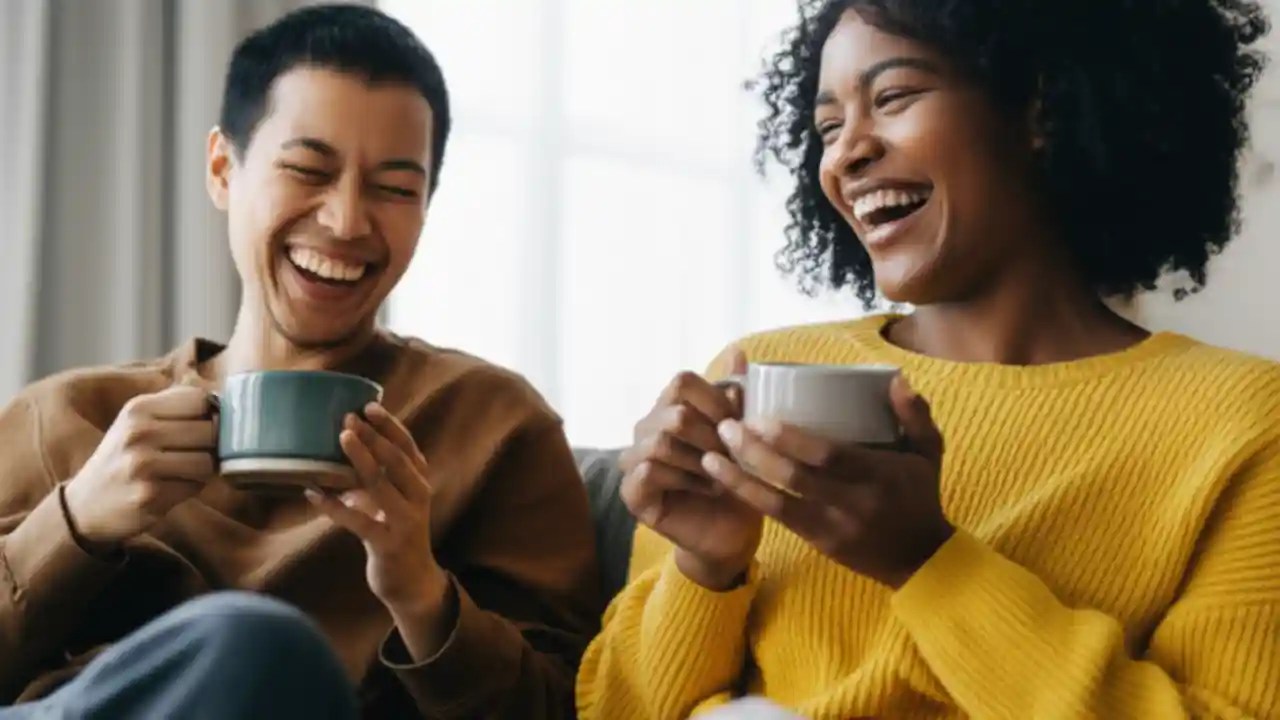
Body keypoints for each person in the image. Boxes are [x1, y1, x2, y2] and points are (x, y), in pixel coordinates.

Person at [577, 0, 1278, 718]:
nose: (847, 153)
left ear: (1041, 106)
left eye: (893, 98)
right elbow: (617, 709)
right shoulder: (759, 371)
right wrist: (706, 566)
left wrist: (926, 561)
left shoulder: (1246, 421)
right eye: (827, 127)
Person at [0, 5, 600, 718]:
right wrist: (77, 521)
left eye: (395, 189)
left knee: (259, 649)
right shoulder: (67, 419)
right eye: (308, 169)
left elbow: (563, 706)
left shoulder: (494, 427)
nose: (346, 222)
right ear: (223, 169)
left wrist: (420, 592)